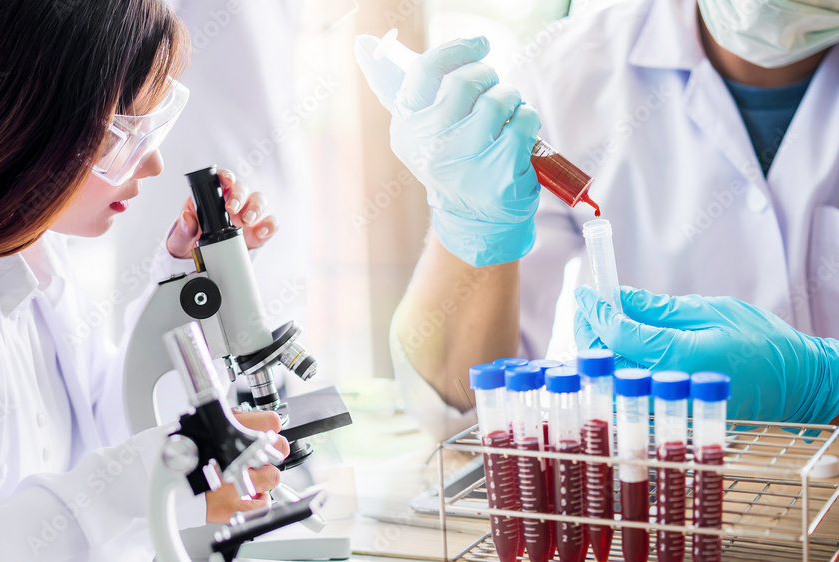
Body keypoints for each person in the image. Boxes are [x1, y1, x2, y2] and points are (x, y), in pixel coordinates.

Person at [0, 0, 283, 559]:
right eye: (122, 137)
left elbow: (117, 423)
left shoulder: (38, 260)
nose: (151, 165)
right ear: (17, 123)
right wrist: (147, 482)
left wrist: (190, 284)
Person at [355, 0, 839, 438]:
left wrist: (825, 383)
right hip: (649, 511)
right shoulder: (572, 70)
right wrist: (470, 224)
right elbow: (460, 408)